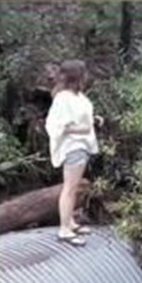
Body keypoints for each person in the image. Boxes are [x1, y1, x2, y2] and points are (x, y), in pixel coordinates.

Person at [44, 60, 102, 246]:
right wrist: (82, 129)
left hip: (82, 146)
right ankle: (64, 229)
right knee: (69, 188)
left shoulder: (78, 97)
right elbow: (56, 126)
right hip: (73, 147)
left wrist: (93, 121)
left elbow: (79, 120)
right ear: (78, 76)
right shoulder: (63, 98)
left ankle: (70, 221)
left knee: (74, 187)